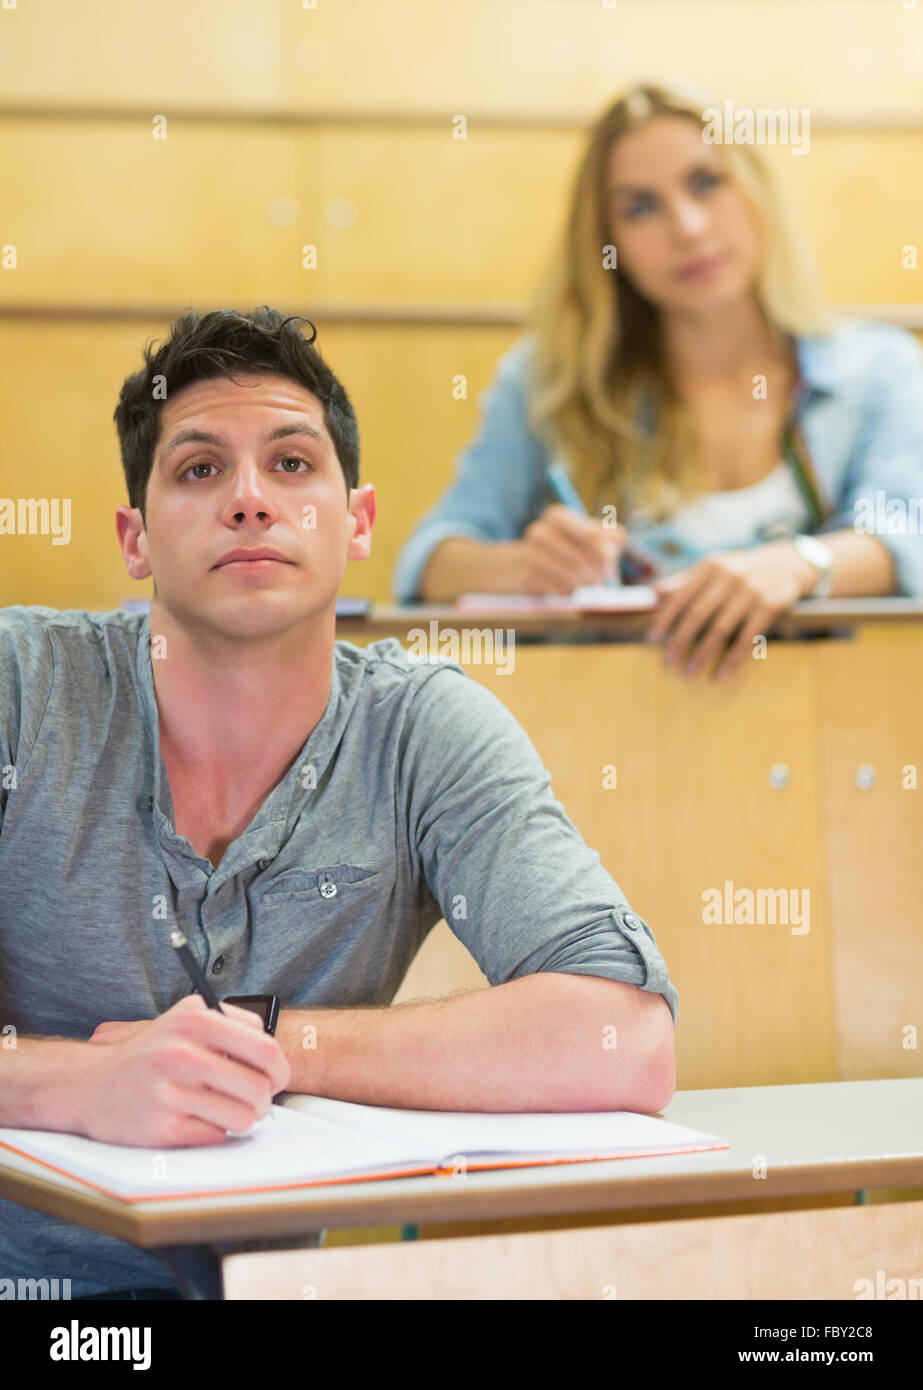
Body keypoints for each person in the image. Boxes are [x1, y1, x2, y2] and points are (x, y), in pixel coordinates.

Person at [0, 306, 678, 1298]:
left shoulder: (424, 728)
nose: (247, 500)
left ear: (356, 522)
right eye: (198, 469)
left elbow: (625, 1041)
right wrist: (85, 1083)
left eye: (289, 464)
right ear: (134, 538)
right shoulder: (24, 686)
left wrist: (271, 1044)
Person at [395, 82, 923, 680]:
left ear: (755, 189)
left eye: (706, 182)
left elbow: (906, 537)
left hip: (816, 732)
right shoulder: (550, 380)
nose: (689, 228)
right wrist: (523, 566)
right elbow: (429, 562)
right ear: (607, 245)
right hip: (601, 733)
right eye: (641, 207)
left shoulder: (880, 369)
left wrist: (802, 563)